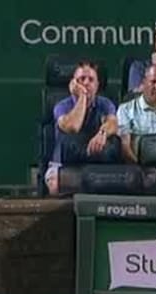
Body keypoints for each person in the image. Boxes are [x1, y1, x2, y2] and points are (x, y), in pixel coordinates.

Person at [46, 60, 119, 196]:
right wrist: (83, 97)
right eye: (81, 79)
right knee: (55, 184)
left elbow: (113, 123)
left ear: (97, 85)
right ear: (73, 84)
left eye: (91, 80)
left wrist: (103, 133)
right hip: (64, 166)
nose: (86, 83)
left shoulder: (104, 103)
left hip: (96, 166)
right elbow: (73, 127)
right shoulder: (61, 106)